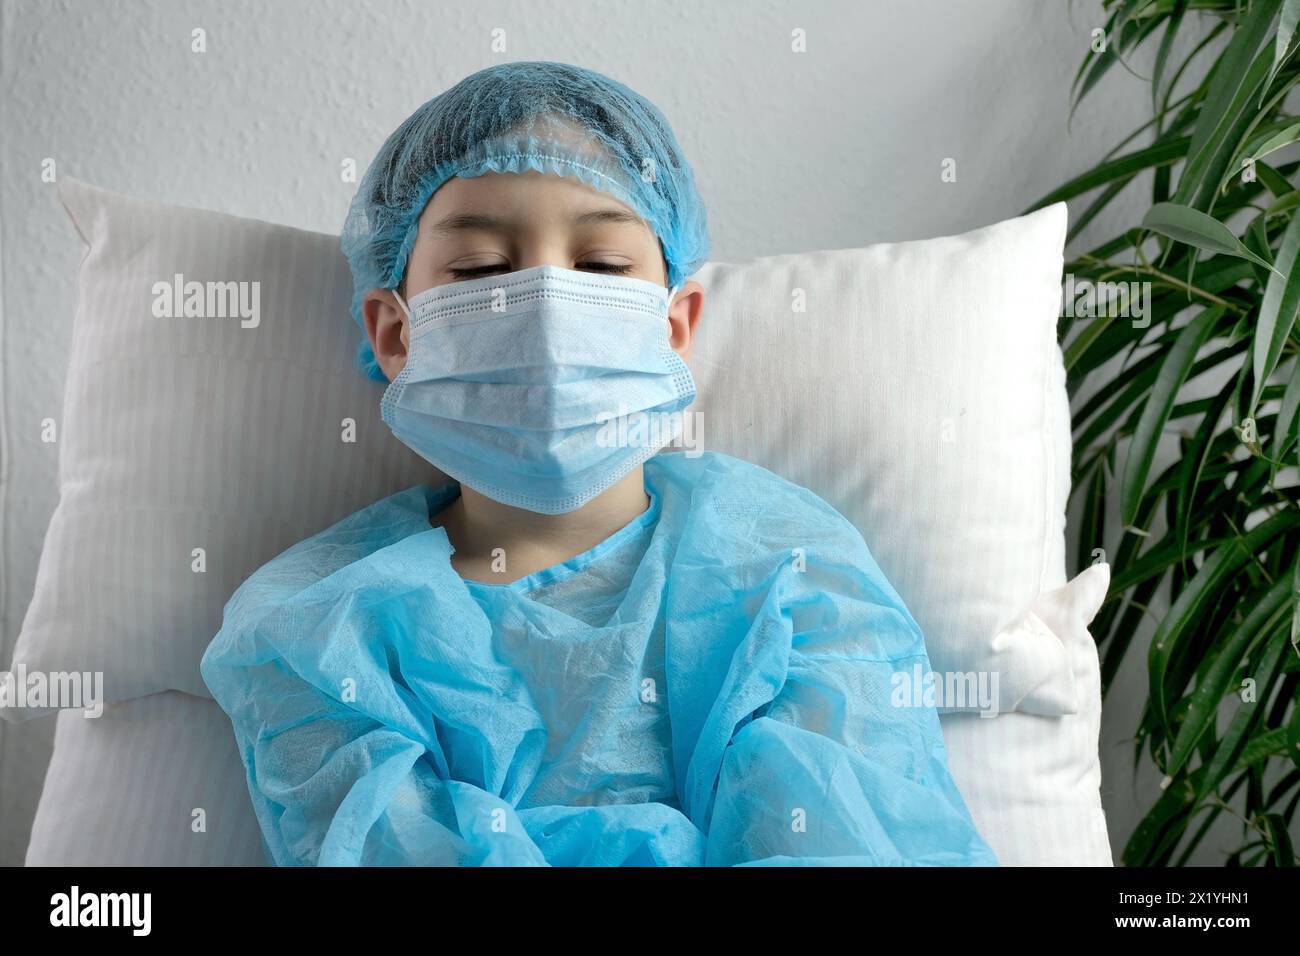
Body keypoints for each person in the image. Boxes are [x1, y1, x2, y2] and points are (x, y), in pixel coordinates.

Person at [199, 60, 998, 867]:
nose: (546, 307)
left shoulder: (792, 578)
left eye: (603, 268)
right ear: (396, 334)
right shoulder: (315, 628)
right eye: (480, 271)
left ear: (675, 325)